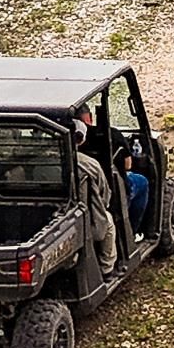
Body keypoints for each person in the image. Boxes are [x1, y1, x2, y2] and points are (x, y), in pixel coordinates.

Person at [71, 104, 118, 274]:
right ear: (81, 139)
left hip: (53, 217)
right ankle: (106, 267)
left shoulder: (37, 161)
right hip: (83, 220)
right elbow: (105, 196)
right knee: (109, 221)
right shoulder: (89, 165)